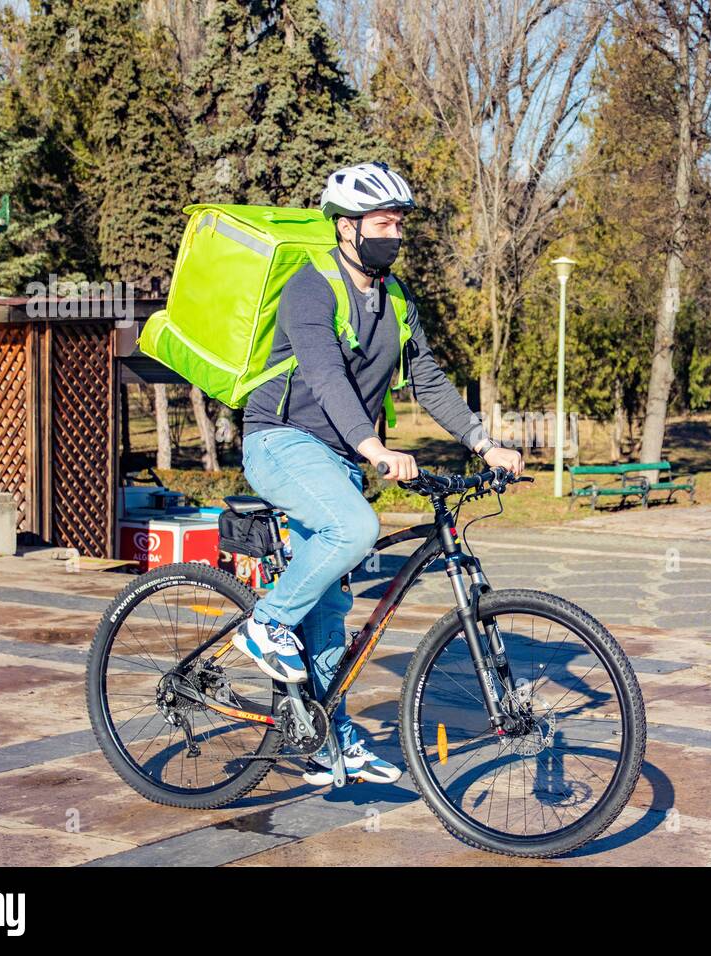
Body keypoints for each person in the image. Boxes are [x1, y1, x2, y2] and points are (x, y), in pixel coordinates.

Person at [233, 162, 524, 786]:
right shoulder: (310, 289)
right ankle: (265, 622)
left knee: (332, 606)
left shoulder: (396, 299)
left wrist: (482, 441)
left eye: (399, 224)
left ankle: (324, 735)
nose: (394, 234)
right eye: (383, 223)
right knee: (356, 529)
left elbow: (428, 379)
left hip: (337, 457)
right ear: (346, 229)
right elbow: (324, 376)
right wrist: (375, 447)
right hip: (281, 441)